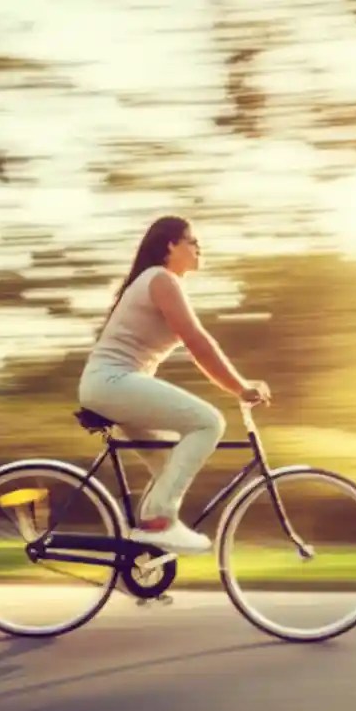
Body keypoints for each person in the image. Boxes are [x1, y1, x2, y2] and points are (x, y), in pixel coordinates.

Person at [77, 215, 271, 554]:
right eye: (192, 240)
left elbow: (197, 348)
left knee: (171, 464)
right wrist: (241, 387)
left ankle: (138, 562)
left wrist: (235, 385)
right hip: (113, 382)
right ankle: (159, 520)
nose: (199, 246)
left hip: (114, 384)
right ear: (171, 245)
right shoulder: (161, 280)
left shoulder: (158, 281)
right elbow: (197, 342)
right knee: (209, 422)